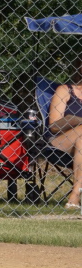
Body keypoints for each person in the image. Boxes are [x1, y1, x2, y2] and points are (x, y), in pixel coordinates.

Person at [46, 57, 82, 208]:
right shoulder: (65, 90)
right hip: (60, 141)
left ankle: (76, 193)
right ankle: (75, 194)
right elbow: (53, 126)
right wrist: (76, 121)